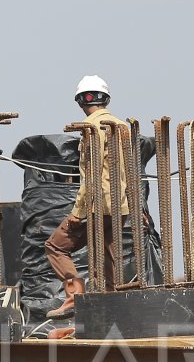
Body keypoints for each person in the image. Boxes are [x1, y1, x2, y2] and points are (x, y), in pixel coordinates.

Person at [45, 75, 131, 319]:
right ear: (106, 99)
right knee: (110, 258)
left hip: (96, 205)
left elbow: (91, 175)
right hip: (118, 205)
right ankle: (115, 307)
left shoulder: (91, 129)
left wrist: (77, 212)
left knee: (55, 246)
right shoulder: (121, 126)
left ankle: (74, 296)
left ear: (80, 101)